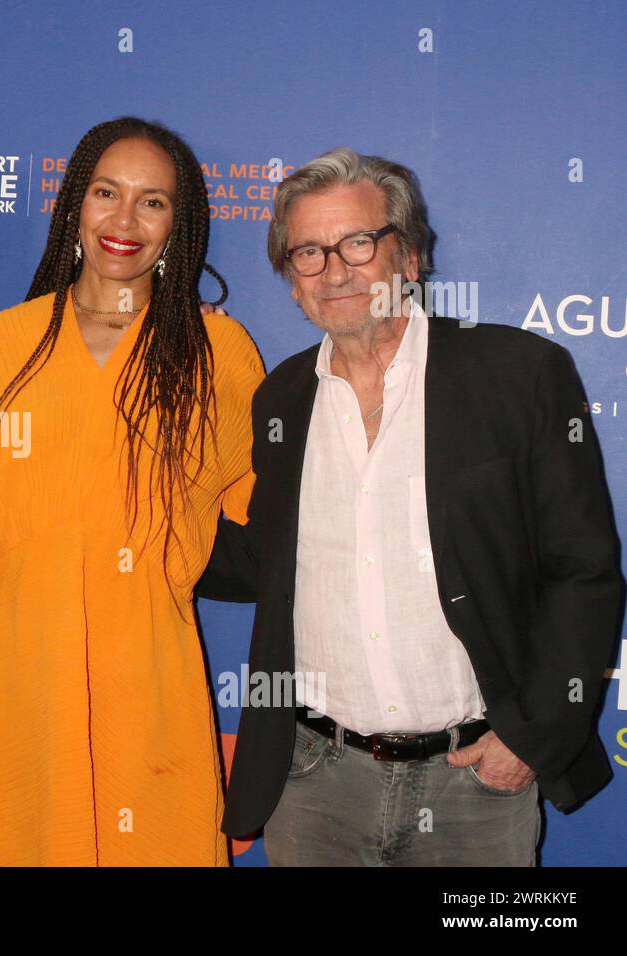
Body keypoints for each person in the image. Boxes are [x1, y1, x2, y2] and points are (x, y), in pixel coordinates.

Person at [199, 147, 621, 866]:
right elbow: (264, 560)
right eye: (308, 252)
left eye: (359, 243)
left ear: (411, 257)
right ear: (292, 283)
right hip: (312, 781)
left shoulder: (519, 374)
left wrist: (530, 738)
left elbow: (582, 571)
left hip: (473, 784)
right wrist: (131, 521)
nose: (335, 270)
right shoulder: (282, 399)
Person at [0, 117, 264, 866]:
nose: (125, 219)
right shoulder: (3, 343)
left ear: (179, 224)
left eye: (152, 201)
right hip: (7, 680)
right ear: (74, 203)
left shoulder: (219, 353)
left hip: (146, 683)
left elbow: (273, 523)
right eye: (107, 192)